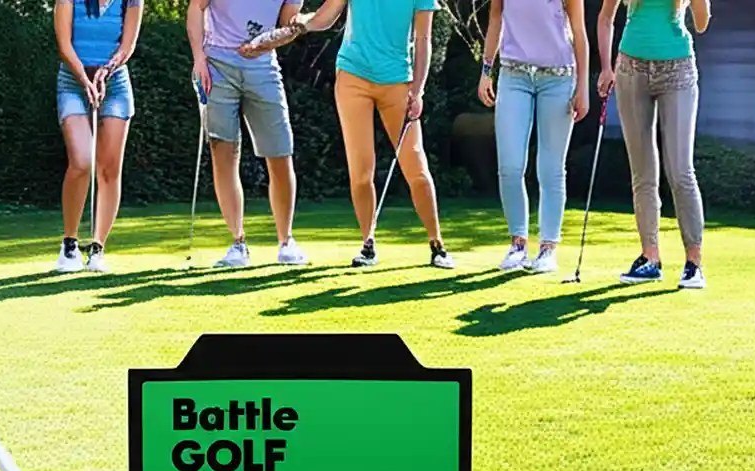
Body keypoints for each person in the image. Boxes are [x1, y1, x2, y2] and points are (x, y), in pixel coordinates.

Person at [263, 0, 454, 269]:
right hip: (353, 76)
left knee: (416, 167)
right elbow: (328, 15)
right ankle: (368, 244)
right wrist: (303, 23)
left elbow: (423, 40)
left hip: (398, 81)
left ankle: (437, 244)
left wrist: (418, 90)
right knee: (361, 171)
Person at [187, 0, 308, 268]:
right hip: (216, 63)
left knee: (280, 153)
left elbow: (289, 25)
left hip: (263, 65)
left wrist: (264, 44)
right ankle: (238, 243)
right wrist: (199, 58)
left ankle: (286, 241)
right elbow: (197, 7)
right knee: (223, 153)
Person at [598, 0, 710, 289]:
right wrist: (606, 68)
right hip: (630, 69)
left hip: (678, 69)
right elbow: (606, 17)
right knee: (643, 173)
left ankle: (694, 263)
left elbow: (701, 24)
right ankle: (650, 258)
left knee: (681, 171)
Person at [480, 0, 589, 274]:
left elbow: (579, 31)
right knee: (510, 165)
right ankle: (517, 245)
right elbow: (496, 18)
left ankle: (548, 249)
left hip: (559, 79)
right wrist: (486, 71)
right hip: (513, 75)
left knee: (551, 169)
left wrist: (583, 87)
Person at [53, 0, 143, 273]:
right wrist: (85, 80)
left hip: (114, 84)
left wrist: (106, 71)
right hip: (72, 81)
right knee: (81, 161)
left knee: (109, 169)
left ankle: (98, 247)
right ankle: (69, 245)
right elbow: (64, 46)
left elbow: (127, 46)